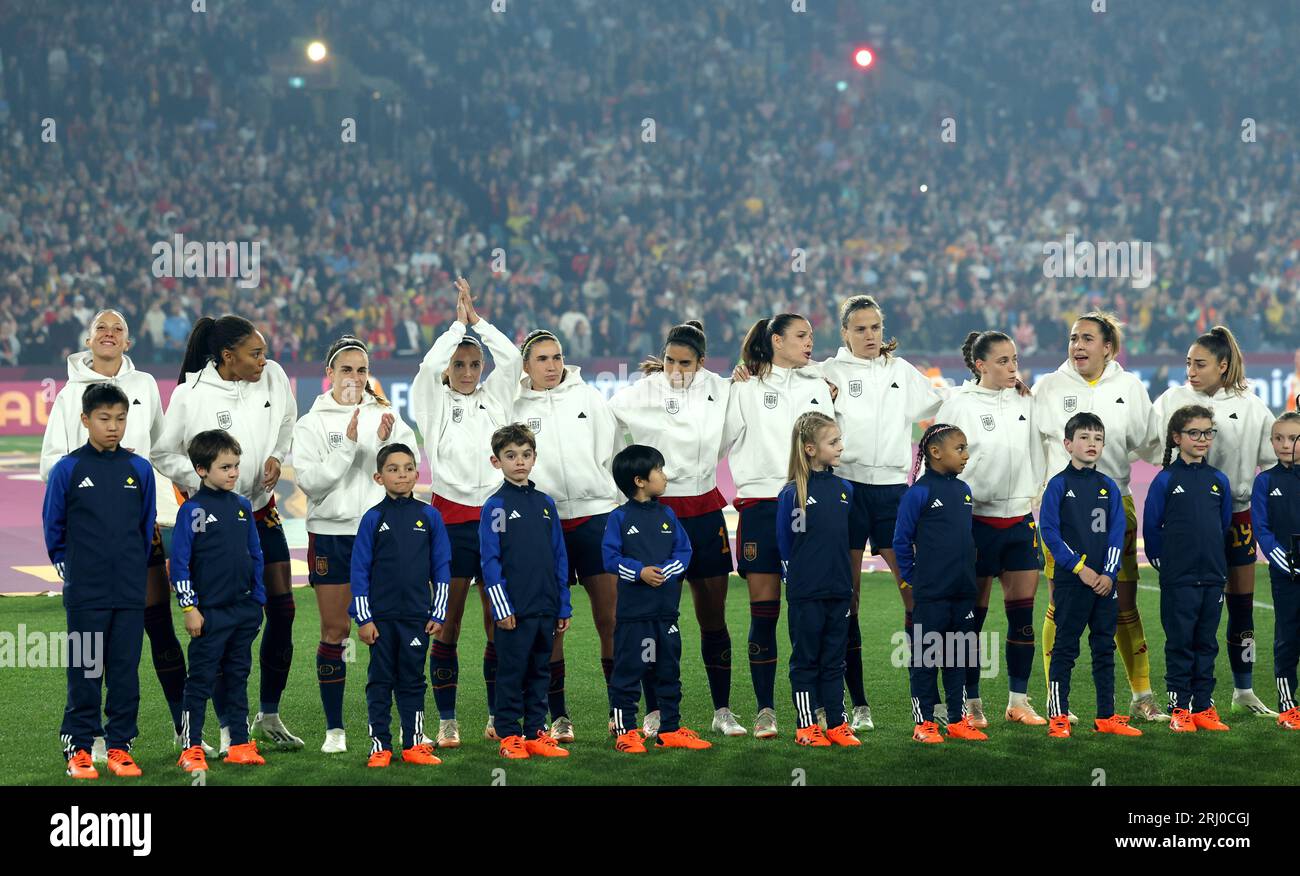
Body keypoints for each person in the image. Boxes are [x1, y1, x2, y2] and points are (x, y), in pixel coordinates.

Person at [40, 309, 193, 758]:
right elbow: (51, 464)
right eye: (101, 329)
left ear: (129, 341)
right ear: (88, 341)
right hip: (92, 537)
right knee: (96, 644)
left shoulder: (145, 386)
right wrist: (93, 471)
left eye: (118, 330)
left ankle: (184, 726)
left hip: (139, 533)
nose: (109, 335)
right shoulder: (70, 396)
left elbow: (162, 449)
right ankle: (94, 737)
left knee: (157, 629)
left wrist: (195, 481)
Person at [152, 315, 302, 752]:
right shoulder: (189, 395)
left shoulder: (273, 377)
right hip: (214, 520)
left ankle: (268, 714)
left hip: (260, 510)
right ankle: (224, 727)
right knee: (216, 621)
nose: (264, 360)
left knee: (284, 610)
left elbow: (288, 419)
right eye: (255, 353)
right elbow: (163, 451)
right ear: (227, 357)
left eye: (264, 350)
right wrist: (202, 484)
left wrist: (276, 454)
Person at [608, 320, 746, 737]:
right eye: (669, 360)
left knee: (712, 617)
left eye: (685, 363)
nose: (674, 370)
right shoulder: (637, 393)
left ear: (702, 363)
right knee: (653, 619)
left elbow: (733, 435)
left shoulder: (722, 389)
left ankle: (722, 710)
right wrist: (626, 492)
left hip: (704, 509)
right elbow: (608, 426)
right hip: (655, 516)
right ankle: (654, 712)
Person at [817, 295, 945, 732]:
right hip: (846, 490)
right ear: (845, 334)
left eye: (875, 327)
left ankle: (927, 701)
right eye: (860, 329)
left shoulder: (901, 372)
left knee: (917, 593)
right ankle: (858, 705)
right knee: (846, 600)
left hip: (893, 492)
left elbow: (941, 409)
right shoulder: (828, 374)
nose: (870, 335)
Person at [1034, 312, 1167, 722]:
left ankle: (1141, 696)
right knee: (1062, 600)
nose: (1077, 345)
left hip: (1115, 504)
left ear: (1108, 347)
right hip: (1062, 508)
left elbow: (1150, 445)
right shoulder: (1048, 387)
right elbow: (1030, 445)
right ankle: (1059, 704)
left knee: (1122, 598)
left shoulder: (1129, 387)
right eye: (1073, 337)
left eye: (1087, 338)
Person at [409, 277, 522, 746]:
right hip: (451, 520)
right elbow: (427, 365)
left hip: (495, 521)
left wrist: (479, 324)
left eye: (475, 364)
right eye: (461, 364)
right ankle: (448, 719)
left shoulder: (496, 399)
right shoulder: (432, 402)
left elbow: (513, 360)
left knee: (498, 624)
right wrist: (456, 329)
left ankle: (497, 716)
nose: (469, 370)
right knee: (447, 623)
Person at [293, 334, 418, 753]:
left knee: (393, 630)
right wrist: (347, 444)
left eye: (361, 369)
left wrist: (384, 443)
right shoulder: (311, 423)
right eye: (346, 369)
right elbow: (310, 483)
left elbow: (406, 471)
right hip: (332, 535)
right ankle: (335, 730)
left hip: (383, 535)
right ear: (329, 373)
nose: (354, 376)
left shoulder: (388, 417)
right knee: (336, 630)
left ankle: (401, 729)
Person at [1145, 326, 1278, 717]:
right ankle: (1182, 699)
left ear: (1223, 365)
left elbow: (1274, 461)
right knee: (1185, 614)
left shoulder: (1251, 406)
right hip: (1185, 519)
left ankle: (1244, 688)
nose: (1191, 370)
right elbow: (1146, 443)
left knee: (1242, 607)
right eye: (1188, 363)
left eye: (1200, 364)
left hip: (1235, 515)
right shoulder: (1171, 399)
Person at [723, 313, 833, 739]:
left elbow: (829, 443)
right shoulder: (745, 388)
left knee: (811, 615)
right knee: (764, 613)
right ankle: (765, 710)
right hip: (762, 509)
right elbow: (722, 439)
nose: (809, 344)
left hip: (811, 504)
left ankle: (820, 708)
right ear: (776, 340)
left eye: (811, 337)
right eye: (801, 336)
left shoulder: (817, 386)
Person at [511, 329, 621, 742]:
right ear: (526, 366)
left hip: (595, 518)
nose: (552, 366)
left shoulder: (588, 398)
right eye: (542, 359)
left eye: (556, 357)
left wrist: (603, 492)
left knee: (610, 618)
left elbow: (610, 450)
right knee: (551, 625)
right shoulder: (515, 405)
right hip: (543, 521)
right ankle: (557, 716)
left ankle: (619, 711)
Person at [43, 383, 156, 779]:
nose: (113, 427)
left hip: (127, 592)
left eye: (121, 419)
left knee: (125, 672)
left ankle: (120, 747)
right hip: (86, 593)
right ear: (85, 420)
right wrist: (69, 566)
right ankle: (79, 747)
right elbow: (53, 528)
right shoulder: (69, 469)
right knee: (85, 671)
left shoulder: (139, 469)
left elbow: (145, 530)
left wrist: (129, 569)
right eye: (105, 419)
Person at [935, 331, 1046, 727]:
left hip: (1018, 520)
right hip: (976, 523)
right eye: (1002, 360)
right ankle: (970, 700)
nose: (1012, 366)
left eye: (1014, 358)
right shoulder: (959, 404)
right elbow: (939, 459)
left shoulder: (1027, 400)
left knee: (1023, 618)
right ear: (980, 365)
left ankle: (1018, 700)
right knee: (971, 621)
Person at [1037, 413, 1142, 739]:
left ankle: (1107, 716)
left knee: (1103, 649)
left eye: (1097, 438)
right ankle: (1058, 716)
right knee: (1065, 648)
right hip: (1073, 581)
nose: (1091, 444)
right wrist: (1081, 570)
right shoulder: (1058, 485)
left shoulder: (1108, 486)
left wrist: (1109, 573)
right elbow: (1050, 533)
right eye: (1084, 437)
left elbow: (1116, 534)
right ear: (1068, 444)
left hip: (1104, 584)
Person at [601, 444, 710, 753]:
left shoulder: (667, 513)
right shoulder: (619, 518)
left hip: (666, 614)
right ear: (639, 481)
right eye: (659, 470)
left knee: (668, 671)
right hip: (634, 617)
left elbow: (684, 551)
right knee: (628, 672)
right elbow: (610, 558)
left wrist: (666, 570)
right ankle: (627, 732)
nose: (665, 476)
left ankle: (671, 729)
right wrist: (639, 573)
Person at [349, 444, 452, 767]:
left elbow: (442, 567)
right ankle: (380, 745)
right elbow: (359, 571)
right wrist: (364, 619)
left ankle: (414, 744)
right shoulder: (373, 518)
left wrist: (438, 612)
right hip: (380, 619)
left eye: (408, 468)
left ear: (417, 474)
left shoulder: (430, 516)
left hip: (416, 619)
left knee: (412, 680)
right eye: (393, 469)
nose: (402, 474)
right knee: (380, 681)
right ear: (379, 477)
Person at [171, 430, 268, 771]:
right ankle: (191, 746)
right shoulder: (194, 511)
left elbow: (255, 554)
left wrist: (258, 600)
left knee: (238, 677)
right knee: (200, 680)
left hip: (244, 611)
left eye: (236, 465)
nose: (234, 473)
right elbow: (180, 565)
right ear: (201, 470)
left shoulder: (242, 507)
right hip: (208, 614)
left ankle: (239, 743)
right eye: (225, 466)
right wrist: (189, 608)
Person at [479, 424, 573, 759]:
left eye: (526, 454)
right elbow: (490, 561)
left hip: (545, 606)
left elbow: (559, 556)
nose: (519, 461)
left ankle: (535, 731)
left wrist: (563, 606)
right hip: (514, 612)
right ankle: (509, 735)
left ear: (534, 458)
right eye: (511, 455)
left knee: (540, 671)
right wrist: (501, 608)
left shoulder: (545, 504)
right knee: (511, 673)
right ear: (497, 461)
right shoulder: (496, 507)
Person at [892, 423, 987, 743]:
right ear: (935, 452)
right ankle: (925, 723)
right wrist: (912, 578)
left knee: (958, 657)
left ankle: (958, 720)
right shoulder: (918, 492)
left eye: (966, 449)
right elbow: (900, 540)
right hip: (931, 593)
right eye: (959, 449)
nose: (966, 455)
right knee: (926, 660)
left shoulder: (963, 490)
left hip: (962, 590)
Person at [1143, 404, 1234, 733]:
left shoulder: (1218, 480)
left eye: (1208, 432)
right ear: (1177, 437)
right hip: (1178, 578)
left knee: (1207, 643)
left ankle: (1204, 708)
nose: (1202, 439)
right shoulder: (1165, 480)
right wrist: (1164, 564)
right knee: (1180, 643)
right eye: (1194, 433)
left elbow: (1222, 525)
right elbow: (1152, 527)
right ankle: (1179, 708)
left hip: (1212, 576)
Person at [776, 412, 861, 747]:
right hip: (806, 593)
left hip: (839, 590)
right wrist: (796, 585)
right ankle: (806, 726)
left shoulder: (845, 490)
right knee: (805, 660)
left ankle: (837, 724)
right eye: (833, 442)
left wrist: (849, 587)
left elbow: (843, 541)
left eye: (840, 440)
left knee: (834, 659)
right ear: (810, 448)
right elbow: (787, 546)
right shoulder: (792, 494)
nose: (841, 447)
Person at [1250, 412, 1300, 728]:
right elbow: (1262, 528)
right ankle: (1288, 705)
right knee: (1288, 636)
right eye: (1279, 438)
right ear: (1271, 442)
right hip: (1286, 576)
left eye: (1294, 438)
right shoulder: (1265, 481)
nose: (1286, 444)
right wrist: (1284, 562)